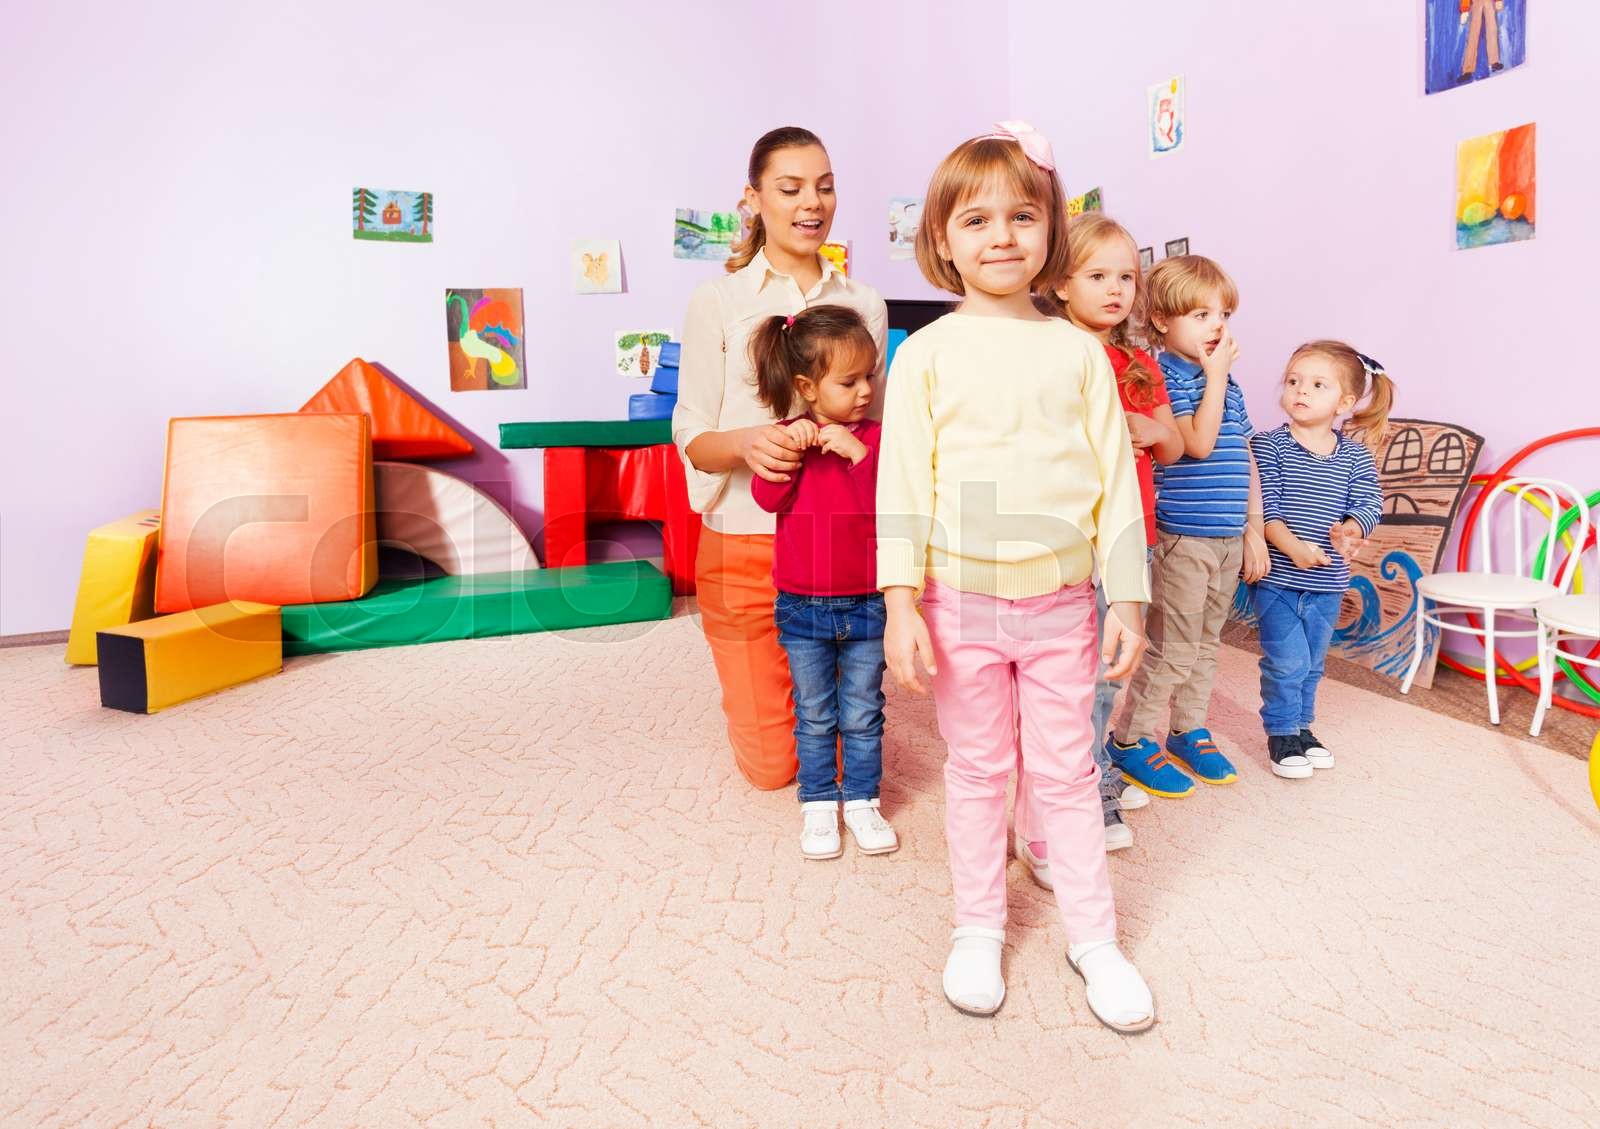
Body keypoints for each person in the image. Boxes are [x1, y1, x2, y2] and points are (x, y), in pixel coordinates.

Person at [877, 122, 1154, 1031]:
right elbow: (903, 482)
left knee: (1068, 769)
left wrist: (1128, 596)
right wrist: (900, 602)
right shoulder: (924, 353)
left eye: (1022, 215)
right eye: (976, 219)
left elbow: (1116, 479)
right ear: (942, 240)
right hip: (959, 601)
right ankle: (977, 924)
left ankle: (1094, 935)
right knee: (979, 768)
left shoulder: (1078, 350)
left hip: (1066, 604)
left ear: (1050, 234)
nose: (1001, 235)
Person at [673, 127, 887, 791]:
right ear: (753, 198)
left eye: (824, 186)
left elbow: (873, 435)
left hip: (838, 554)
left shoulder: (864, 305)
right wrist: (744, 444)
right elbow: (690, 433)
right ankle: (750, 694)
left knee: (855, 758)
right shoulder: (719, 301)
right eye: (790, 188)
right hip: (744, 544)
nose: (811, 203)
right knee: (776, 769)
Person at [749, 305, 898, 858]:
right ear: (808, 387)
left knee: (862, 710)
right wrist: (789, 450)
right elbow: (767, 499)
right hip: (801, 603)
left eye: (869, 377)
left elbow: (888, 509)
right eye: (848, 381)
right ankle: (817, 802)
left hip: (867, 602)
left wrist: (857, 454)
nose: (864, 390)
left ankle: (861, 799)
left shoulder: (879, 441)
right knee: (814, 711)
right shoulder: (788, 437)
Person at [1250, 342, 1390, 777]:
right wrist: (1294, 548)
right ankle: (1281, 733)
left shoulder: (1355, 456)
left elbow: (1369, 503)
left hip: (1328, 584)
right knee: (1286, 660)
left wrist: (1351, 530)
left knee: (1312, 663)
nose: (1300, 391)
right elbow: (1265, 510)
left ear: (1344, 402)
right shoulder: (1269, 446)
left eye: (1316, 384)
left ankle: (1302, 727)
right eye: (1293, 381)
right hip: (1279, 580)